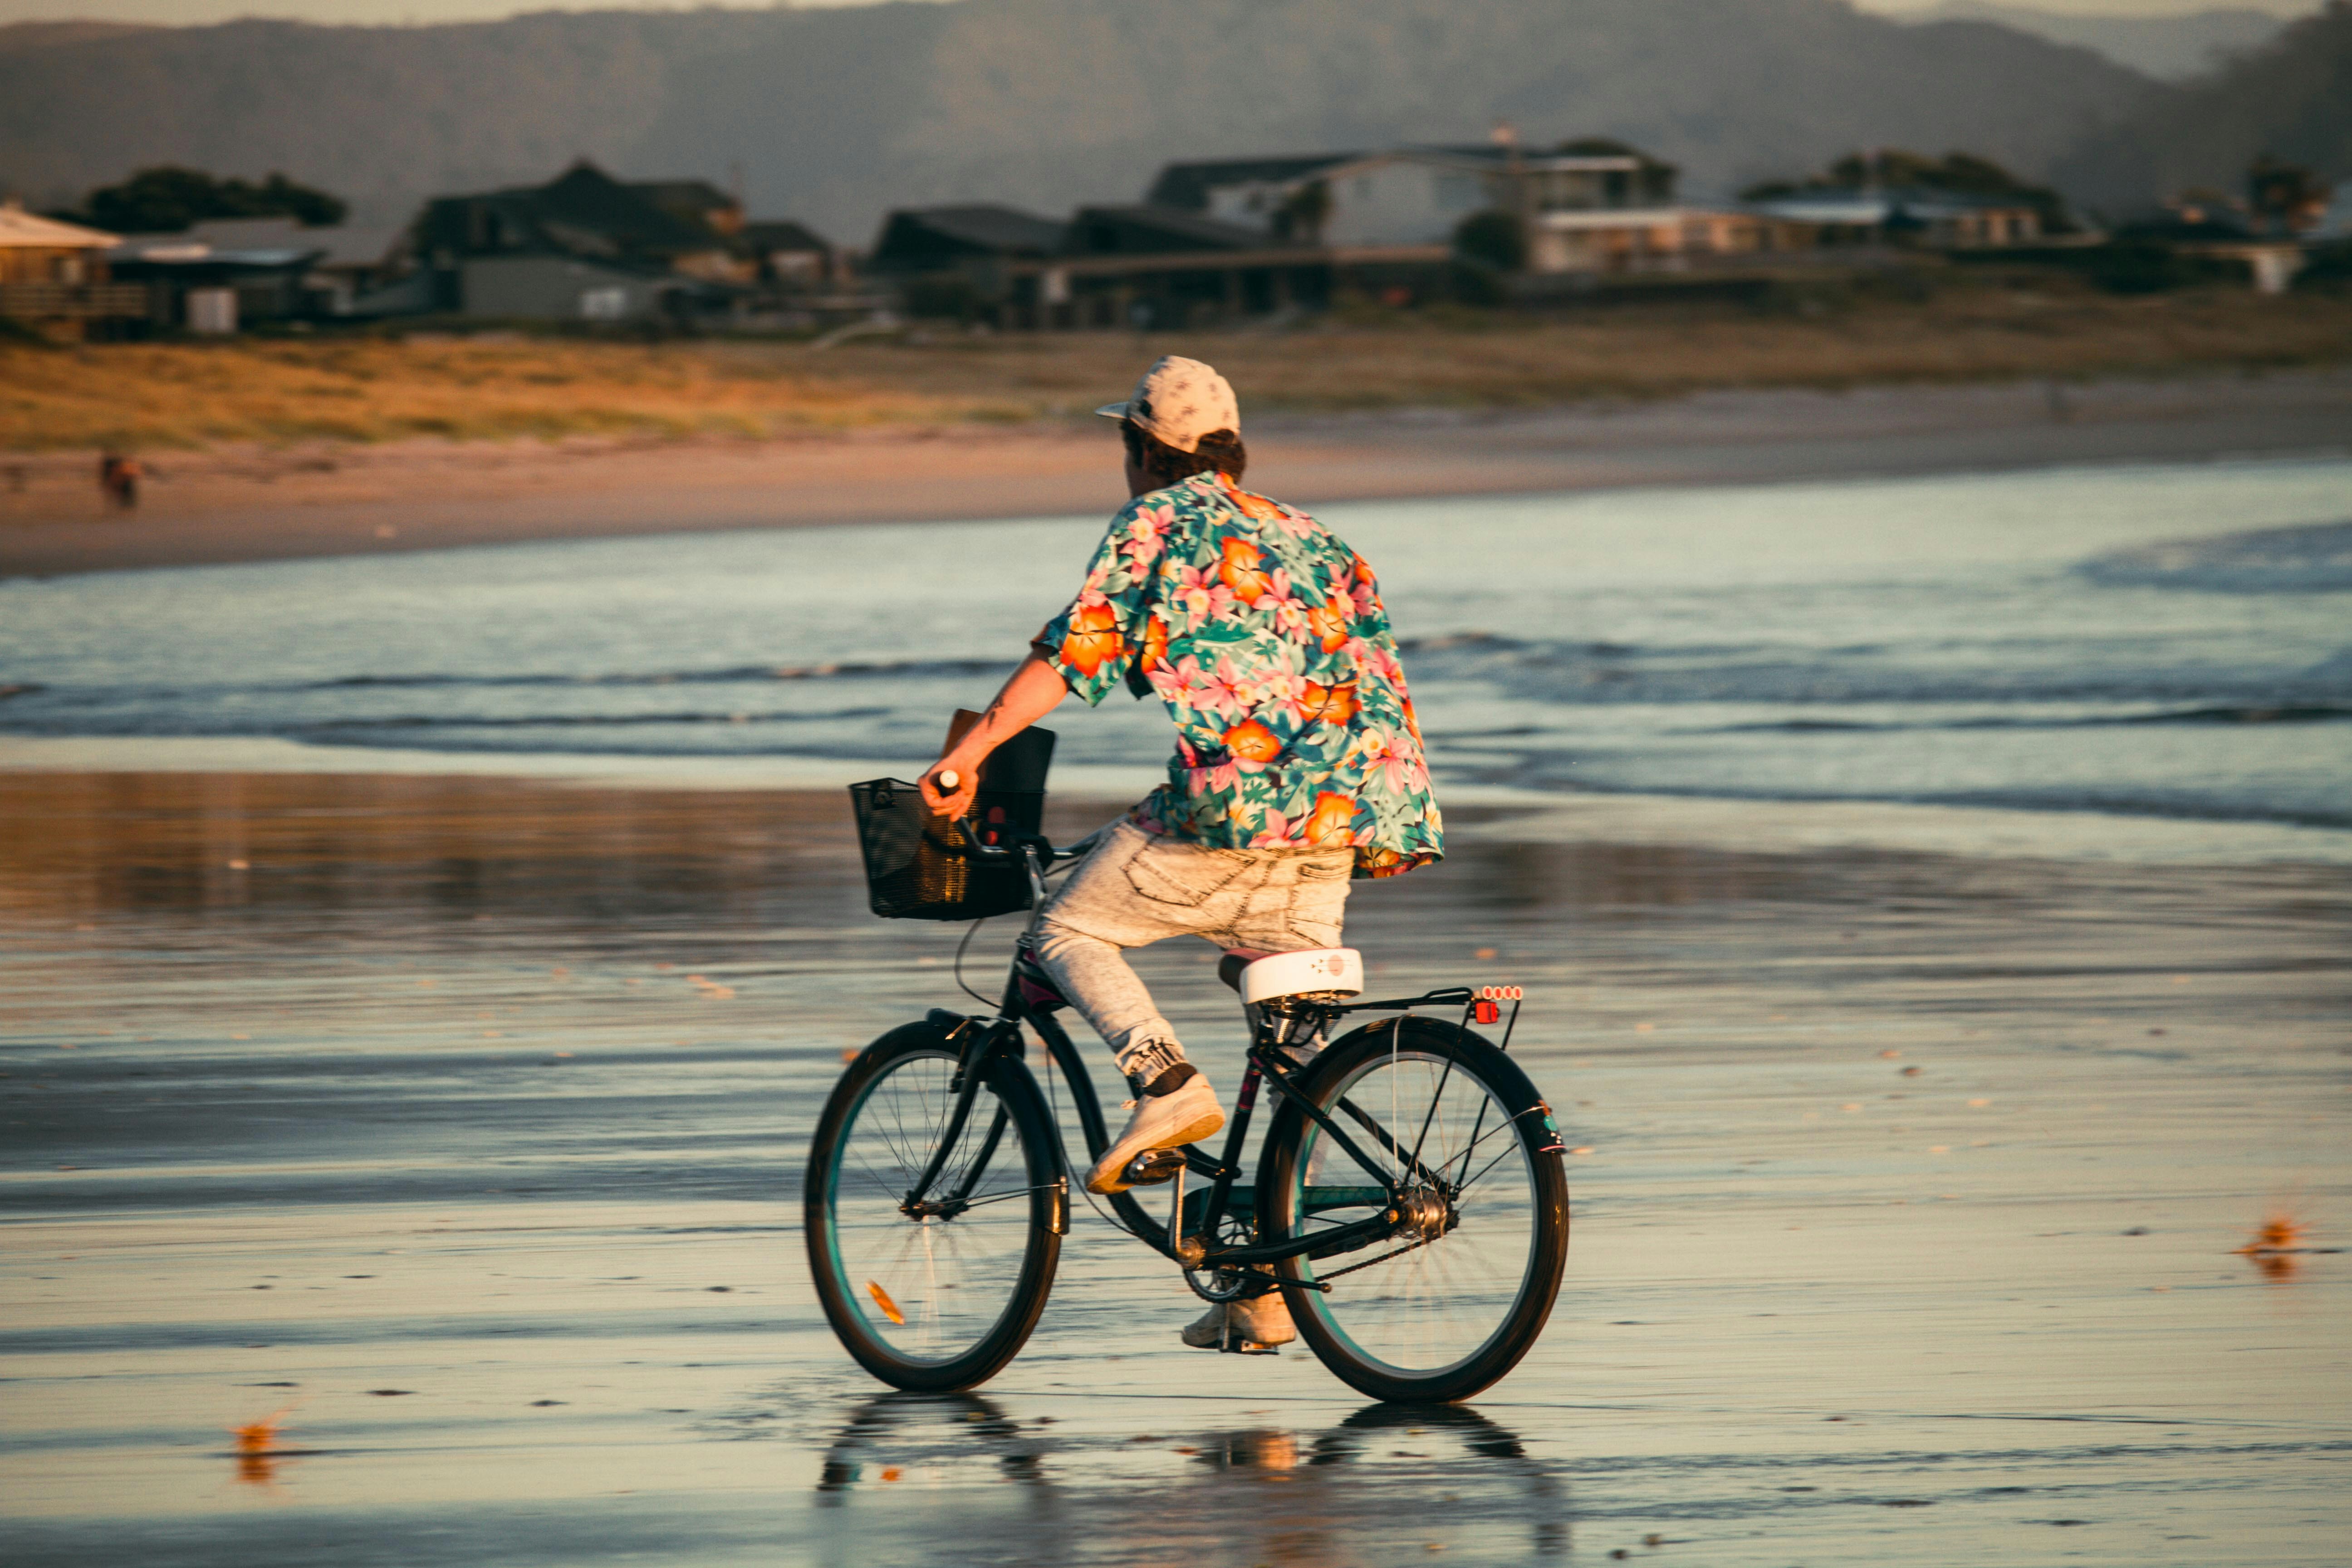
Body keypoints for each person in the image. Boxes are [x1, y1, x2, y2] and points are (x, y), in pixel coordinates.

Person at [919, 356, 1443, 1351]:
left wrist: (970, 752)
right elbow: (1377, 686)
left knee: (1067, 925)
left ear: (1142, 449)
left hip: (1237, 809)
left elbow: (1079, 649)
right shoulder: (1319, 539)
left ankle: (1165, 1083)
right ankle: (1264, 1288)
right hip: (1345, 817)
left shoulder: (1155, 523)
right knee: (1290, 1059)